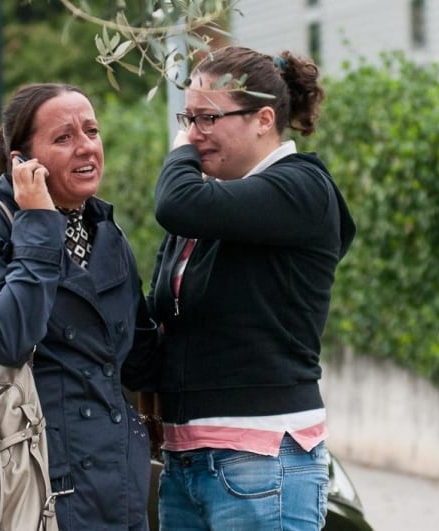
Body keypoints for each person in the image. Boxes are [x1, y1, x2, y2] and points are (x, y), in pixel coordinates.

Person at [147, 46, 356, 530]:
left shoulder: (301, 188)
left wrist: (179, 148)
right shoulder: (212, 202)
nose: (194, 134)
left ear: (264, 119)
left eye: (207, 118)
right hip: (187, 460)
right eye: (188, 118)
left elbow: (175, 201)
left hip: (262, 460)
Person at [0, 83, 159, 530]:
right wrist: (38, 223)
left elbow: (139, 358)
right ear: (22, 161)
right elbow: (1, 342)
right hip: (32, 483)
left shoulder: (105, 231)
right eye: (63, 138)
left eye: (92, 131)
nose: (86, 147)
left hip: (116, 487)